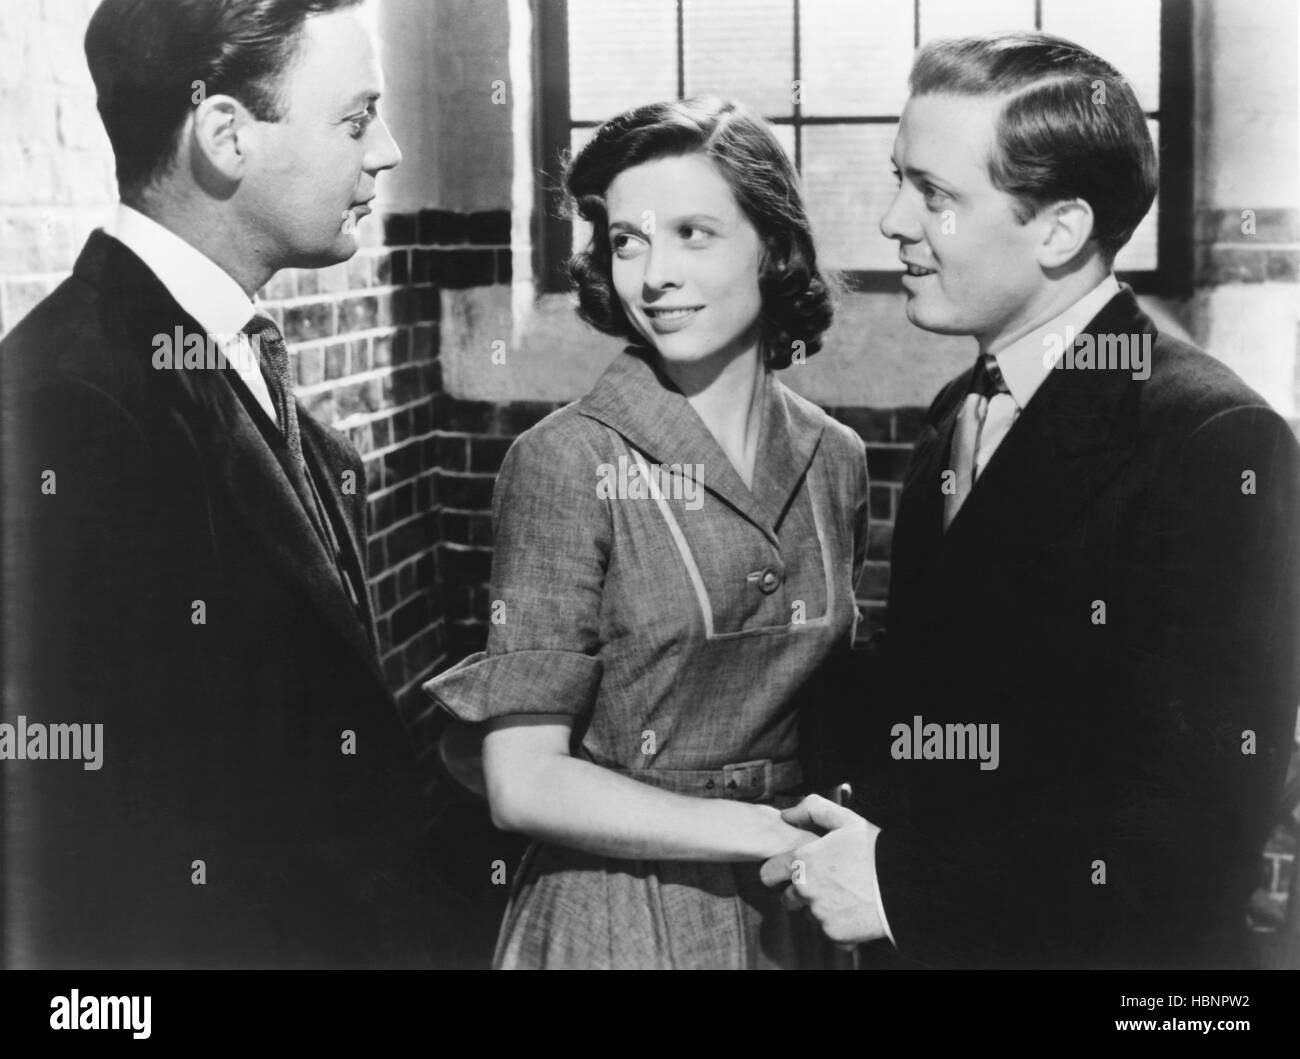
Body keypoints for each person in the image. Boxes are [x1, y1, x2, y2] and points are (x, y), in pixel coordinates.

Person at [763, 31, 1300, 969]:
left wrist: (903, 888)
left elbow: (1194, 841)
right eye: (900, 180)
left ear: (1060, 229)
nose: (892, 220)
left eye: (934, 194)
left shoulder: (1212, 442)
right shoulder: (959, 417)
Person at [2, 0, 438, 967]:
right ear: (226, 135)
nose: (390, 151)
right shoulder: (72, 401)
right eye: (357, 118)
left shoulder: (216, 346)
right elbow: (95, 844)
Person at [424, 97, 870, 969]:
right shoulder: (563, 459)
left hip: (795, 910)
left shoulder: (836, 458)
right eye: (627, 240)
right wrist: (748, 827)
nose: (652, 274)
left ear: (772, 246)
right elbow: (522, 781)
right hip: (616, 918)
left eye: (693, 233)